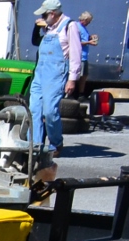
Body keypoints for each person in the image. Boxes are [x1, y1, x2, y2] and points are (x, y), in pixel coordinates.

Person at [30, 0, 83, 155]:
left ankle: (56, 143)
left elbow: (76, 54)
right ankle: (34, 145)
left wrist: (72, 79)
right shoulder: (48, 28)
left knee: (49, 111)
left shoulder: (69, 26)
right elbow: (35, 42)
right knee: (34, 110)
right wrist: (36, 27)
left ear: (52, 14)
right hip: (40, 73)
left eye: (44, 14)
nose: (43, 17)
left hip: (55, 75)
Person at [77, 11, 98, 94]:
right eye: (88, 21)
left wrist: (90, 37)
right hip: (79, 56)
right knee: (77, 76)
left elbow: (84, 38)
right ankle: (72, 93)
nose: (89, 23)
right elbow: (76, 41)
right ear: (84, 20)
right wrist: (89, 42)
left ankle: (81, 94)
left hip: (84, 56)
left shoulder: (84, 28)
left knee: (84, 76)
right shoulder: (77, 27)